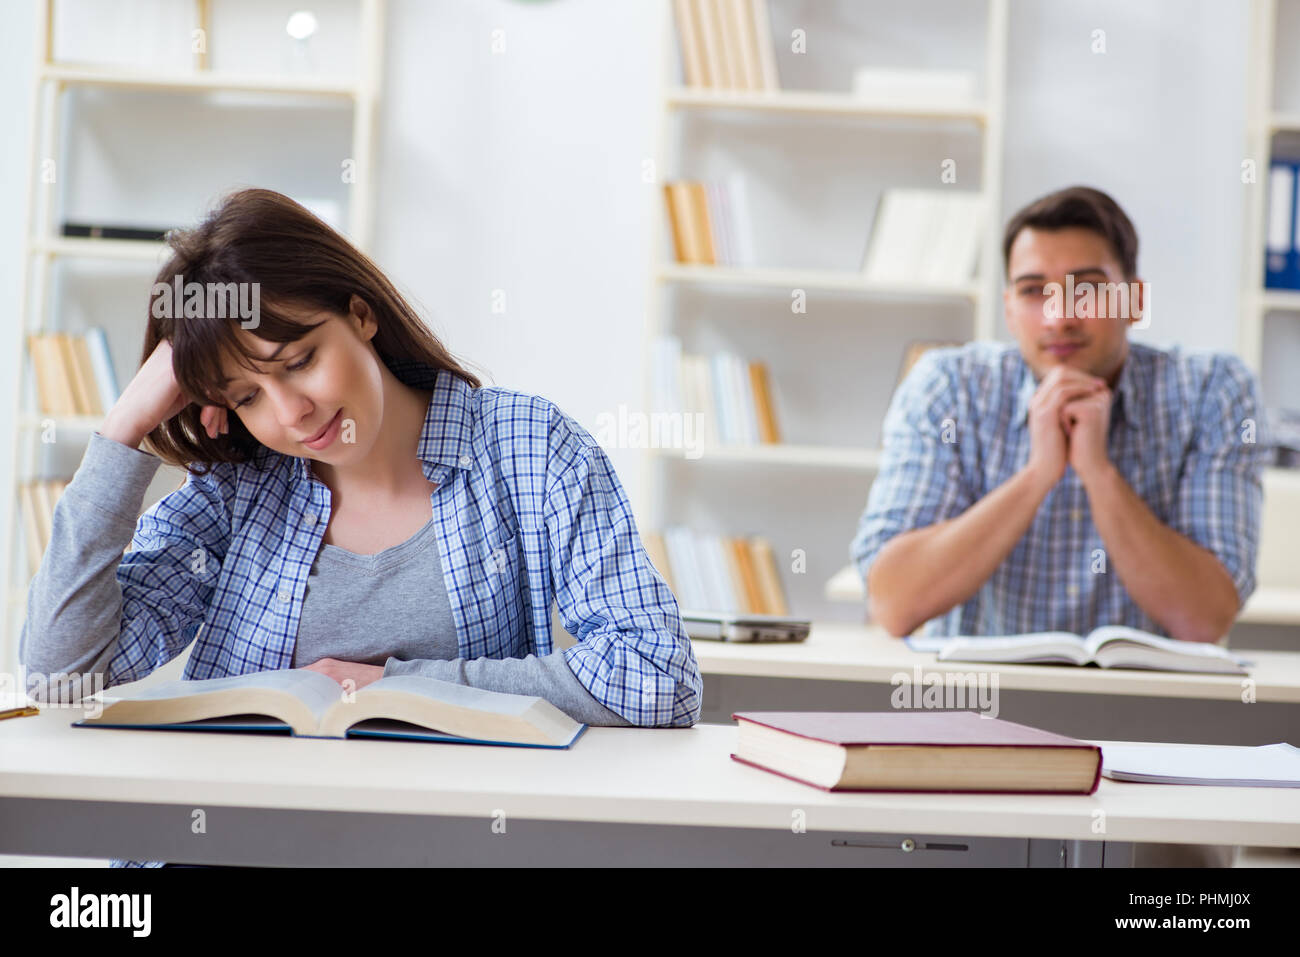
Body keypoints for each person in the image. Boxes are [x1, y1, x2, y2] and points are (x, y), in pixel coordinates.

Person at [19, 188, 702, 868]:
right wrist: (125, 427)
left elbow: (655, 673)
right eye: (247, 396)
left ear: (362, 314)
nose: (292, 412)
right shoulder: (237, 490)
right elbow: (59, 675)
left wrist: (403, 687)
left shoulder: (529, 449)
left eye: (300, 360)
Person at [850, 185, 1272, 642]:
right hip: (976, 705)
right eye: (1034, 291)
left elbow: (1204, 618)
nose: (1059, 317)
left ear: (1134, 301)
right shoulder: (948, 388)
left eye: (1087, 289)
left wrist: (1098, 472)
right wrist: (1038, 474)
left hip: (1144, 708)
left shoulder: (1213, 390)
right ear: (1009, 310)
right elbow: (893, 603)